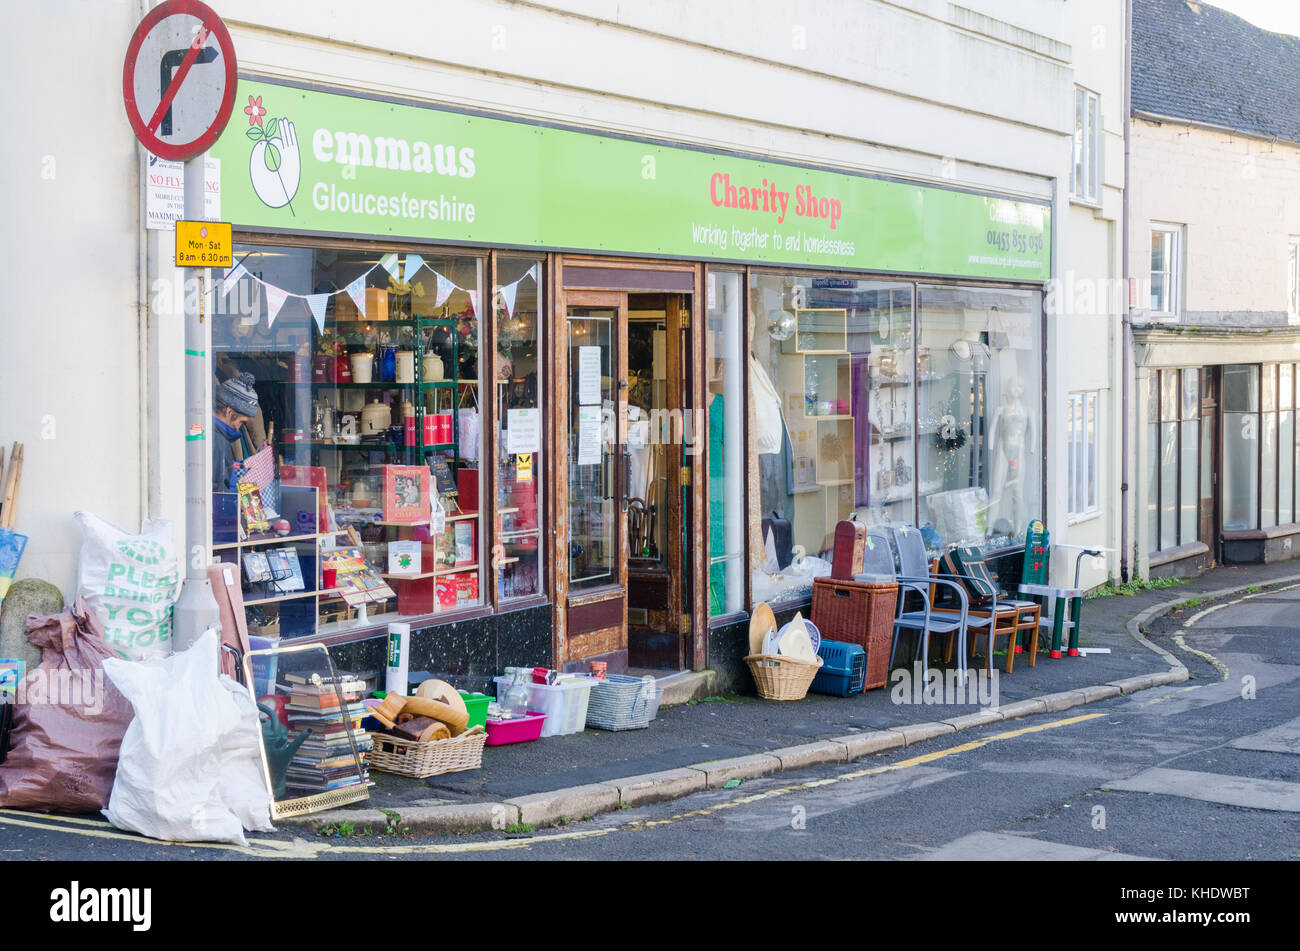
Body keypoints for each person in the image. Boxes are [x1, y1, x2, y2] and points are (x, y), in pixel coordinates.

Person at [213, 372, 260, 491]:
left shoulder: (214, 434)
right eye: (241, 422)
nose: (238, 428)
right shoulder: (218, 441)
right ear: (229, 412)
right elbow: (219, 491)